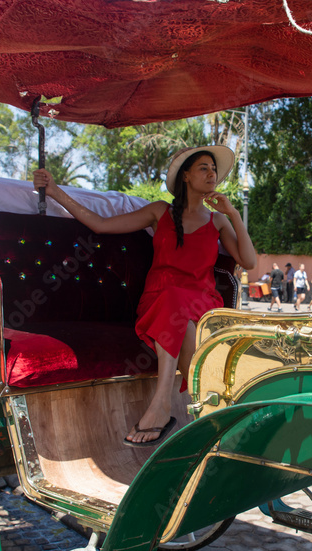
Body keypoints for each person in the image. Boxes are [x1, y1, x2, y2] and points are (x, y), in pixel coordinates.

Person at [32, 145, 256, 446]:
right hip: (159, 300)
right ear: (186, 176)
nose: (211, 173)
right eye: (203, 167)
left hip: (202, 303)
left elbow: (249, 261)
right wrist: (56, 192)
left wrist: (232, 214)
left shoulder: (218, 221)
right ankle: (218, 422)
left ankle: (164, 406)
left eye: (213, 169)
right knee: (180, 314)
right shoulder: (160, 211)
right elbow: (101, 224)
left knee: (186, 317)